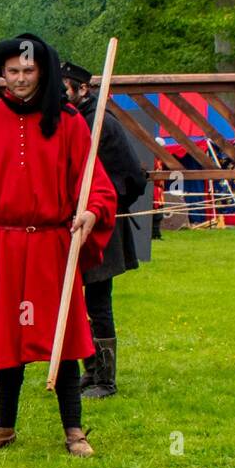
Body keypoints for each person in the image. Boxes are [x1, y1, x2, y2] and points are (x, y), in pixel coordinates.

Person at [0, 33, 116, 455]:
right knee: (8, 338)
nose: (20, 79)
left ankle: (74, 431)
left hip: (52, 248)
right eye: (13, 71)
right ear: (2, 74)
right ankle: (3, 427)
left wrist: (91, 211)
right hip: (1, 245)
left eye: (28, 71)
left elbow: (97, 186)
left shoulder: (70, 122)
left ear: (43, 72)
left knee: (65, 337)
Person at [61, 60, 146, 399]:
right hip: (78, 225)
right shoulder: (73, 121)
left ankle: (104, 379)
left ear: (83, 89)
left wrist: (103, 207)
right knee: (76, 300)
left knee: (97, 301)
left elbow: (132, 177)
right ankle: (90, 371)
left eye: (66, 87)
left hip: (104, 226)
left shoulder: (101, 124)